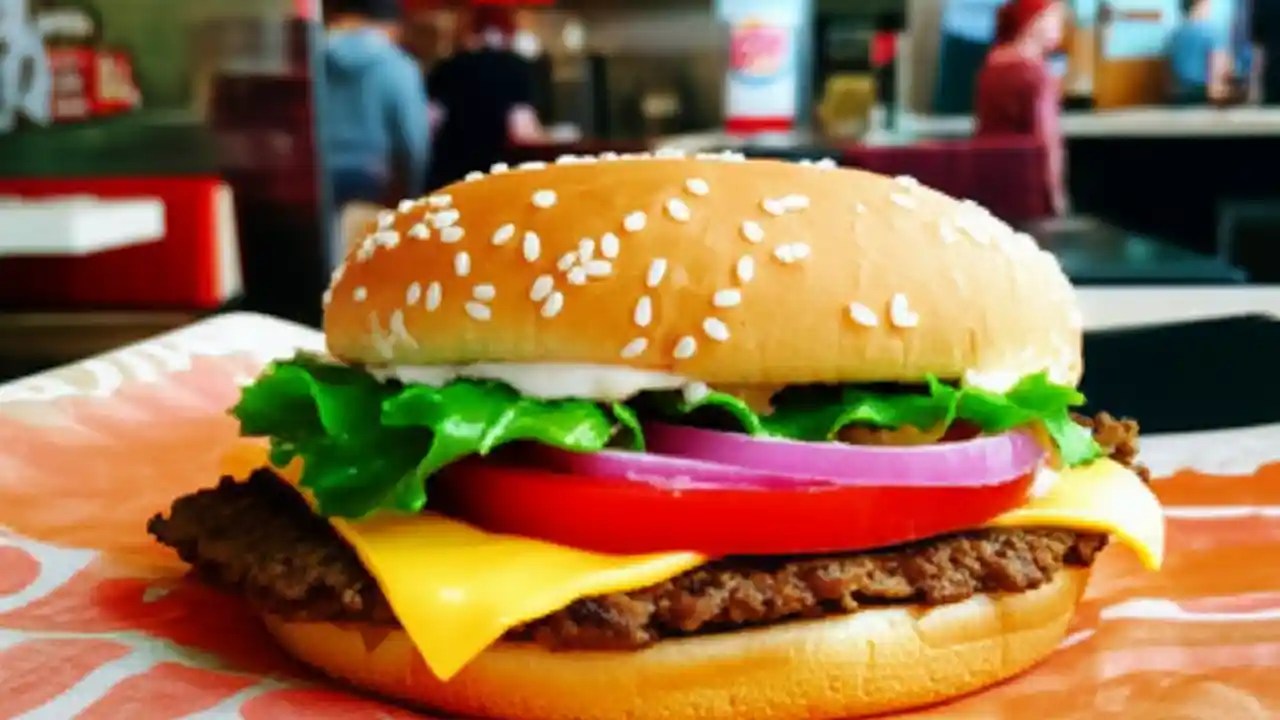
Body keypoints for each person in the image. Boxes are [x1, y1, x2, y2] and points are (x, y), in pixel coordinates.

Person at [320, 0, 429, 266]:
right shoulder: (398, 66)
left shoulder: (309, 62)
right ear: (391, 26)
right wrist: (412, 199)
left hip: (312, 180)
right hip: (370, 185)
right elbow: (413, 142)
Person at [427, 6, 544, 189]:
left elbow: (429, 125)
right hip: (496, 174)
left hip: (449, 175)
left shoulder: (448, 66)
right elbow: (521, 132)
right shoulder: (515, 68)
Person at [974, 0, 1068, 216]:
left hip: (989, 184)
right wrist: (1056, 197)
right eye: (1055, 18)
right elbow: (1045, 142)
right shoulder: (1036, 73)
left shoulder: (991, 64)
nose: (1060, 26)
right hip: (1028, 188)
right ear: (1035, 22)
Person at [1164, 0, 1231, 104]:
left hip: (1179, 92)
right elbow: (1216, 66)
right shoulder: (1212, 32)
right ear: (1201, 3)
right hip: (1203, 92)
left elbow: (1170, 70)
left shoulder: (1176, 34)